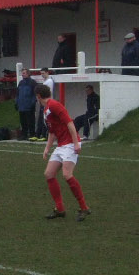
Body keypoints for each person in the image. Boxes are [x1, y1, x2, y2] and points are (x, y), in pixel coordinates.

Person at [36, 83, 90, 221]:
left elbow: (70, 123)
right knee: (49, 174)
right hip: (61, 145)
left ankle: (84, 208)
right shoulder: (46, 109)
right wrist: (47, 148)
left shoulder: (54, 105)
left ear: (38, 96)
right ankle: (60, 209)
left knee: (67, 174)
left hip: (70, 144)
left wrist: (76, 143)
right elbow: (52, 131)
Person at [15, 68, 38, 140]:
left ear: (28, 74)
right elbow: (17, 94)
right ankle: (24, 134)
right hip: (21, 106)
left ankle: (32, 134)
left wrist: (32, 103)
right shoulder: (21, 83)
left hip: (29, 106)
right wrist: (16, 102)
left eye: (24, 73)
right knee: (23, 121)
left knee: (31, 121)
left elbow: (35, 94)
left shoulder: (33, 83)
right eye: (22, 73)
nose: (22, 74)